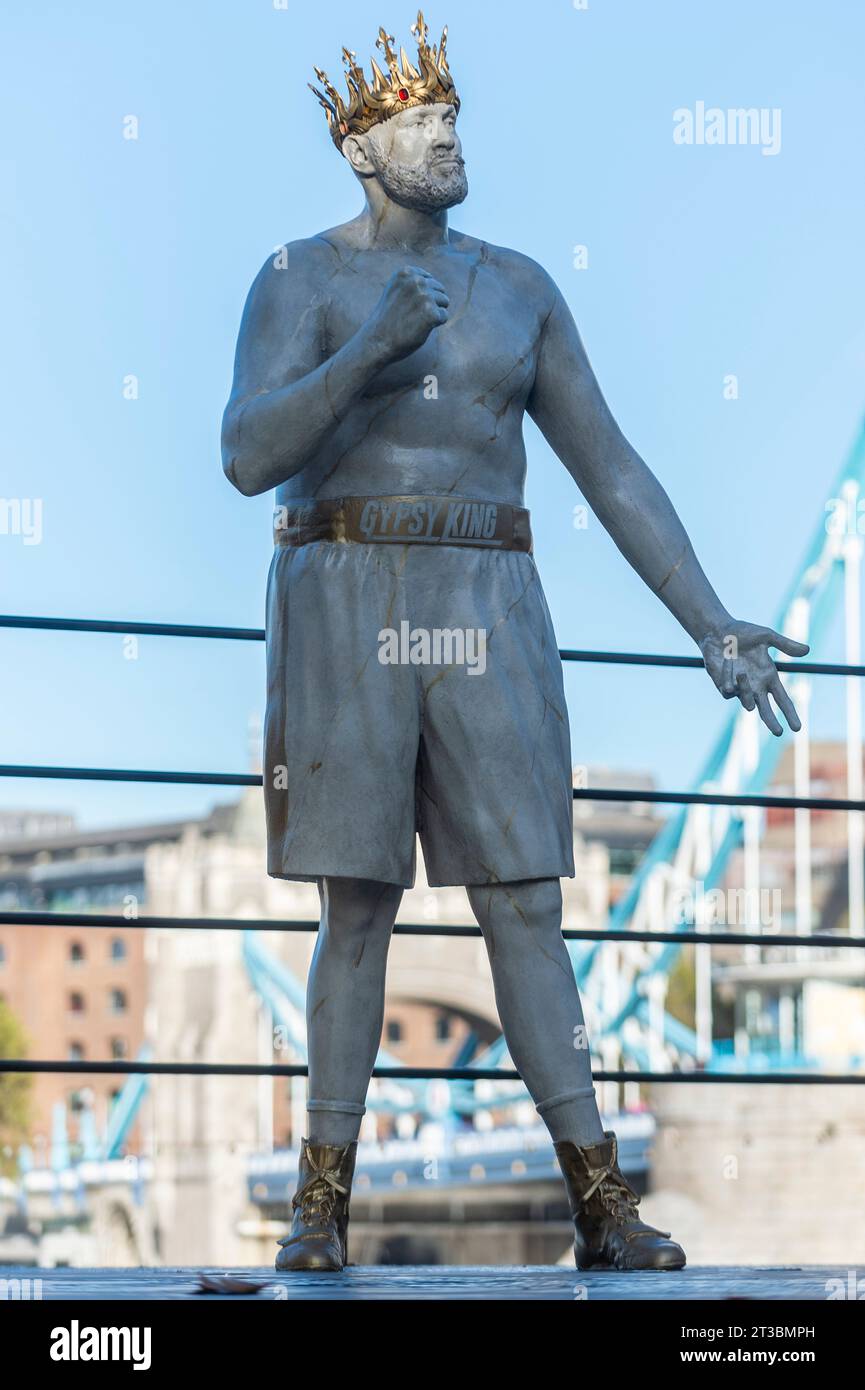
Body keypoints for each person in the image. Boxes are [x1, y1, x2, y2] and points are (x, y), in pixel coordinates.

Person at [222, 12, 807, 1273]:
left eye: (453, 118)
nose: (447, 135)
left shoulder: (522, 287)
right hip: (341, 584)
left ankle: (601, 1203)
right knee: (357, 906)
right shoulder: (294, 277)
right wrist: (370, 356)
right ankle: (319, 1205)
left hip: (490, 591)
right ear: (362, 149)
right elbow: (245, 455)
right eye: (421, 123)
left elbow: (611, 470)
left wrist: (710, 627)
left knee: (526, 905)